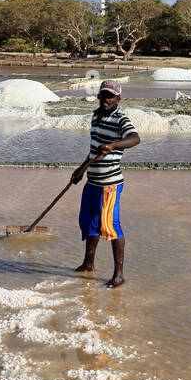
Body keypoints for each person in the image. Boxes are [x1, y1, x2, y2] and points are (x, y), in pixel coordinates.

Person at [71, 79, 140, 288]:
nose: (106, 100)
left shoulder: (120, 119)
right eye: (103, 95)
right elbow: (93, 150)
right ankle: (88, 264)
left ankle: (119, 275)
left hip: (109, 184)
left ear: (118, 99)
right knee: (89, 222)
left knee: (110, 226)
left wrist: (113, 145)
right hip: (92, 181)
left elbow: (135, 138)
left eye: (110, 96)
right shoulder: (95, 116)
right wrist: (81, 169)